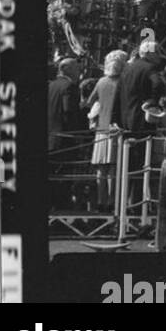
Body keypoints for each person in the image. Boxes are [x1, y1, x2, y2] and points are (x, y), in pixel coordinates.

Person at [87, 50, 127, 211]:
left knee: (101, 169)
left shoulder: (101, 82)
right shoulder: (123, 82)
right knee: (113, 169)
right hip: (116, 130)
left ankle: (101, 202)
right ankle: (112, 202)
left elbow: (90, 101)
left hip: (100, 130)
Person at [49, 55, 87, 210]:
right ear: (66, 69)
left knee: (52, 178)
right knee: (64, 179)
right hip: (64, 141)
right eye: (77, 69)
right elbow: (68, 113)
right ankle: (62, 213)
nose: (80, 73)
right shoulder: (69, 87)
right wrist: (78, 133)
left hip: (50, 139)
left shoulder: (51, 85)